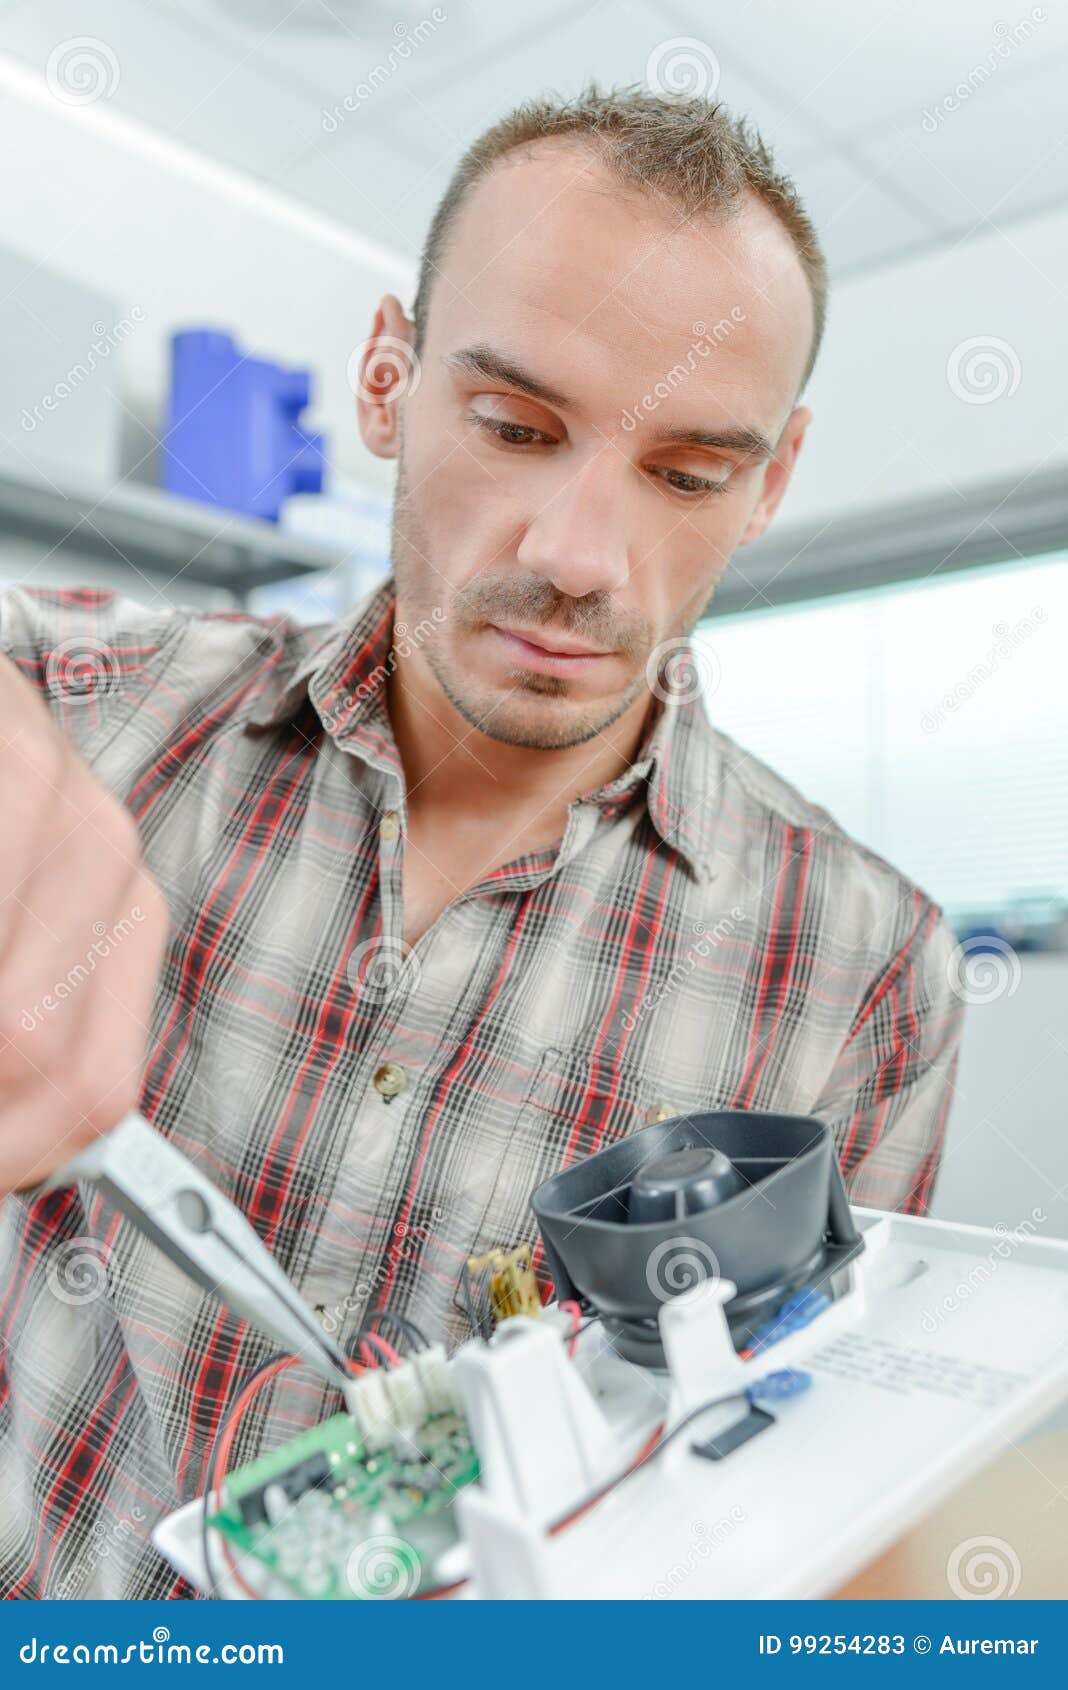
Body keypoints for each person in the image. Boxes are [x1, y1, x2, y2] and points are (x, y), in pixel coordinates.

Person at [0, 85, 963, 1598]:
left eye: (689, 474)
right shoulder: (84, 703)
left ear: (772, 480)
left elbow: (812, 1495)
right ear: (389, 378)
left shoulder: (874, 974)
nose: (577, 556)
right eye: (516, 427)